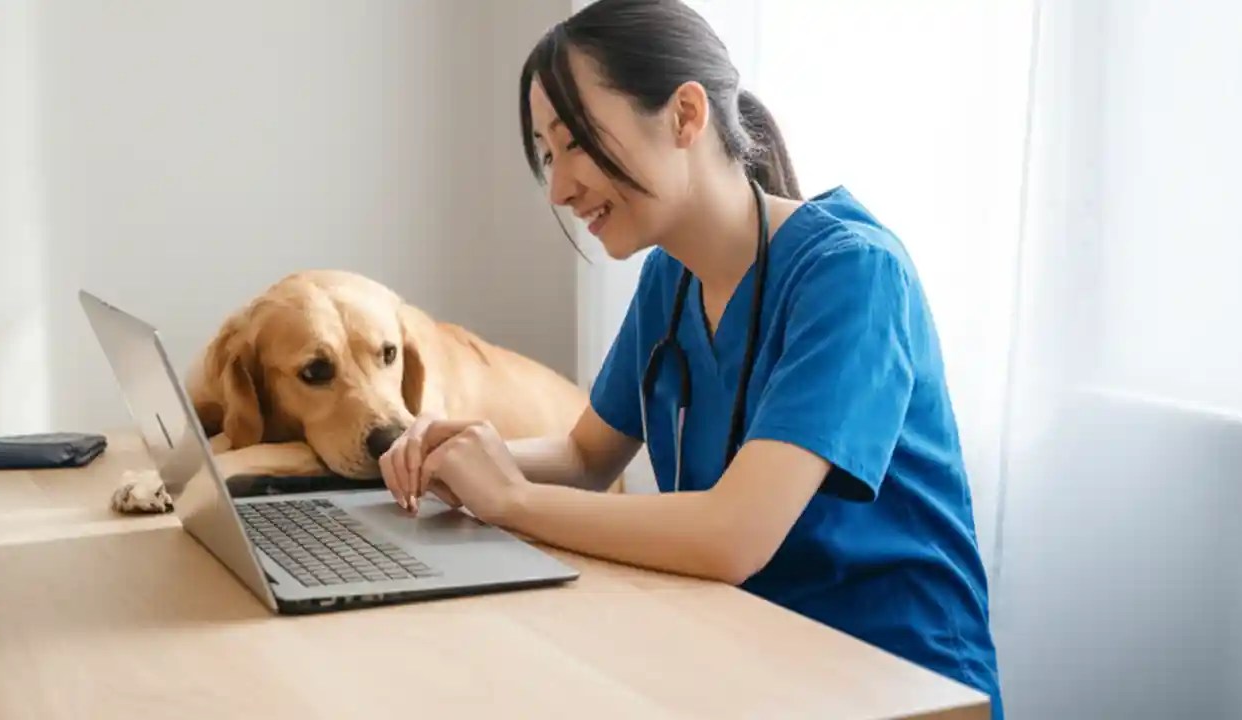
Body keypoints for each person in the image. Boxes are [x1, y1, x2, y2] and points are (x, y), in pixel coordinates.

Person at [379, 0, 1002, 716]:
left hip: (890, 678)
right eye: (548, 156)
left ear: (684, 115)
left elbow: (733, 536)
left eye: (575, 141)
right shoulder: (670, 281)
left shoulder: (852, 275)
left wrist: (511, 500)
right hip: (744, 652)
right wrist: (459, 452)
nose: (557, 188)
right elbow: (588, 456)